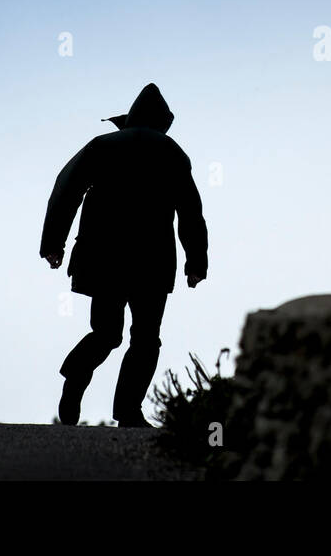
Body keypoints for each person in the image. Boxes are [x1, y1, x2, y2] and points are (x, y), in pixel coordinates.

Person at [39, 83, 208, 427]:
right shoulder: (172, 152)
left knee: (105, 333)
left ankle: (75, 376)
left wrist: (53, 243)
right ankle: (128, 412)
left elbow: (66, 190)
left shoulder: (102, 146)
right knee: (146, 339)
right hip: (152, 261)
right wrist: (196, 261)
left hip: (104, 258)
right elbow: (191, 211)